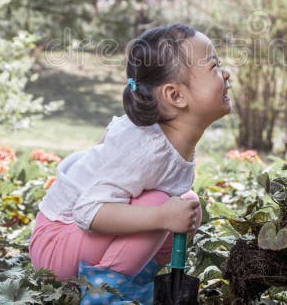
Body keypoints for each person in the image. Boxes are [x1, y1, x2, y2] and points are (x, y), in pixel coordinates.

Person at [29, 23, 231, 301]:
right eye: (214, 66)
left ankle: (135, 285)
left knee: (184, 201)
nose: (226, 73)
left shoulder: (164, 140)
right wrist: (162, 216)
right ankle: (105, 296)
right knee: (161, 204)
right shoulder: (145, 147)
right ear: (175, 95)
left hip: (75, 244)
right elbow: (88, 211)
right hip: (54, 246)